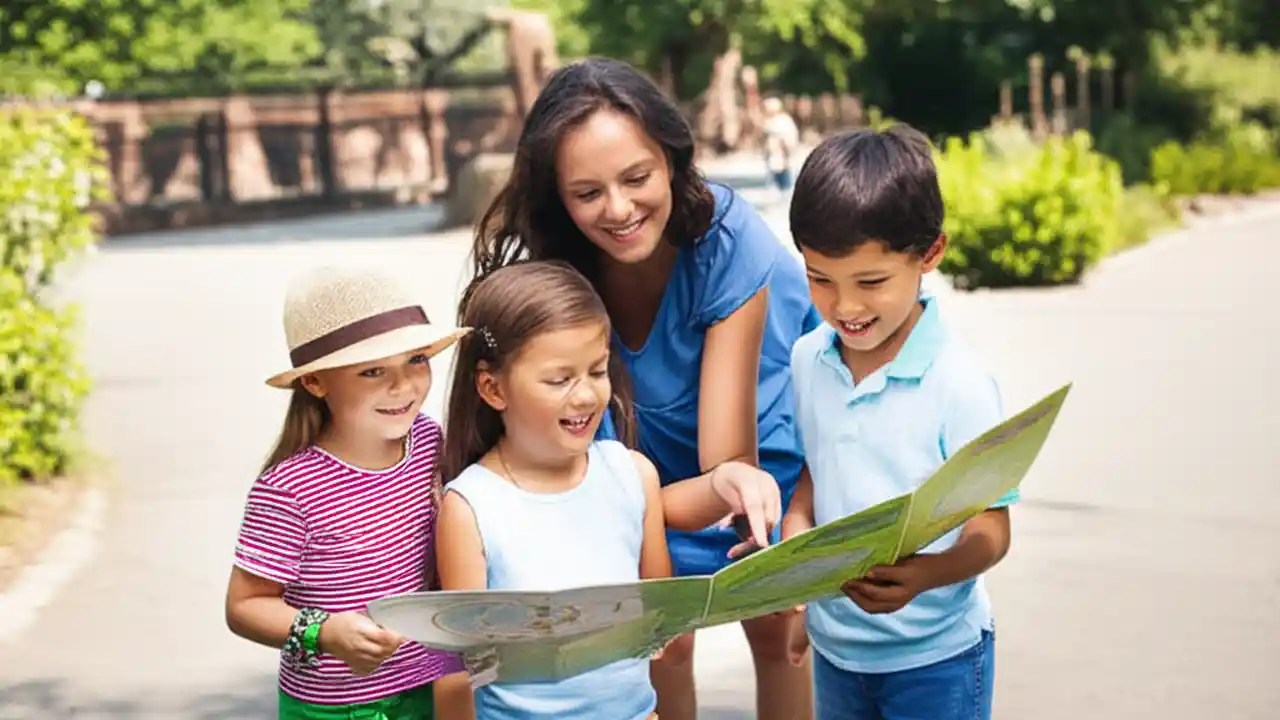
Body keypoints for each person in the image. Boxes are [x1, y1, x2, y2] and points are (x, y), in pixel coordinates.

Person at [471, 56, 819, 720]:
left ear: (672, 160)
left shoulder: (726, 237)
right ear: (556, 196)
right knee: (659, 642)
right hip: (635, 464)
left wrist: (723, 488)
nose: (619, 209)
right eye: (587, 193)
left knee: (776, 624)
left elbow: (728, 469)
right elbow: (591, 479)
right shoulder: (556, 277)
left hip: (751, 449)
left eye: (637, 178)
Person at [432, 261, 784, 720]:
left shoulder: (632, 474)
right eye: (559, 380)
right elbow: (461, 673)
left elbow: (662, 628)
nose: (586, 396)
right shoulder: (471, 507)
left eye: (597, 371)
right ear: (492, 388)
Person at [780, 125, 1019, 720]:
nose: (845, 307)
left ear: (929, 255)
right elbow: (820, 467)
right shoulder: (808, 359)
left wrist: (926, 575)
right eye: (820, 279)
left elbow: (991, 528)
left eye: (871, 282)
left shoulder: (959, 382)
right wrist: (797, 525)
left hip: (937, 657)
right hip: (838, 649)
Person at [225, 265, 470, 719]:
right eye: (373, 371)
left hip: (432, 688)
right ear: (315, 382)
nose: (402, 386)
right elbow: (245, 606)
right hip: (337, 709)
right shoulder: (288, 489)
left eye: (416, 360)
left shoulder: (428, 441)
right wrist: (326, 632)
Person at [761, 97, 800, 199]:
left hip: (782, 157)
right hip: (773, 156)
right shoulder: (769, 121)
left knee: (785, 184)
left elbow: (788, 139)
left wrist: (787, 154)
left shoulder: (783, 121)